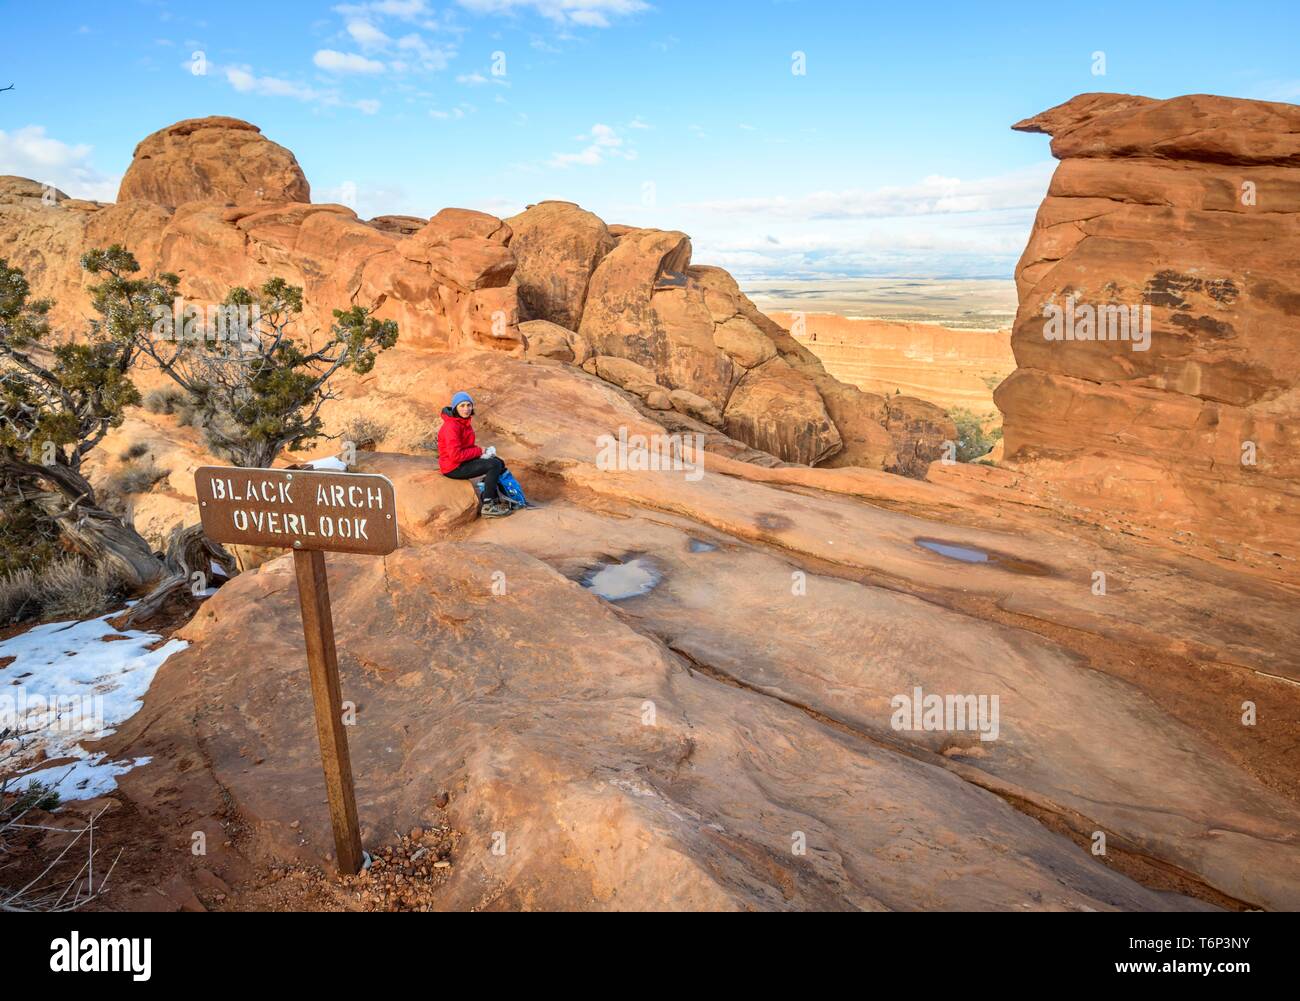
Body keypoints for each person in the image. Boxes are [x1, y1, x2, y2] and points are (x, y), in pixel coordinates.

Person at [438, 391, 513, 517]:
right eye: (462, 405)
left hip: (461, 461)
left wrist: (482, 452)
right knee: (493, 465)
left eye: (469, 405)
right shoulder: (452, 426)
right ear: (455, 407)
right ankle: (488, 506)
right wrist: (479, 451)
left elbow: (466, 446)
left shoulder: (462, 422)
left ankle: (491, 493)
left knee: (498, 462)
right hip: (453, 467)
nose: (466, 409)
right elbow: (455, 455)